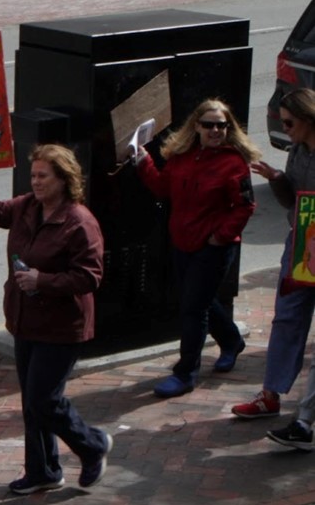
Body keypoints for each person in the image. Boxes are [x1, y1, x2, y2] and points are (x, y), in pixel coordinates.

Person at [0, 144, 113, 496]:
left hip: (62, 327)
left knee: (45, 399)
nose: (37, 182)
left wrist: (42, 280)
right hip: (25, 320)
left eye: (44, 176)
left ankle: (92, 445)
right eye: (34, 175)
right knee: (32, 403)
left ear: (64, 178)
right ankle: (43, 470)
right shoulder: (26, 207)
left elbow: (89, 277)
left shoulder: (80, 222)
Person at [133, 99, 260, 398]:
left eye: (221, 125)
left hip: (213, 247)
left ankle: (186, 373)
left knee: (193, 309)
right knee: (198, 301)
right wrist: (143, 162)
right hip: (182, 242)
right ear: (197, 127)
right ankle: (231, 340)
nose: (215, 130)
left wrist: (220, 236)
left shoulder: (234, 163)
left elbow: (245, 206)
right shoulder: (182, 156)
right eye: (209, 125)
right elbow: (163, 187)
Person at [231, 88, 315, 451]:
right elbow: (294, 194)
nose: (285, 129)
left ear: (309, 119)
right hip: (301, 244)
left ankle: (306, 421)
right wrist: (278, 180)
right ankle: (271, 394)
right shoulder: (298, 150)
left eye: (289, 122)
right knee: (287, 318)